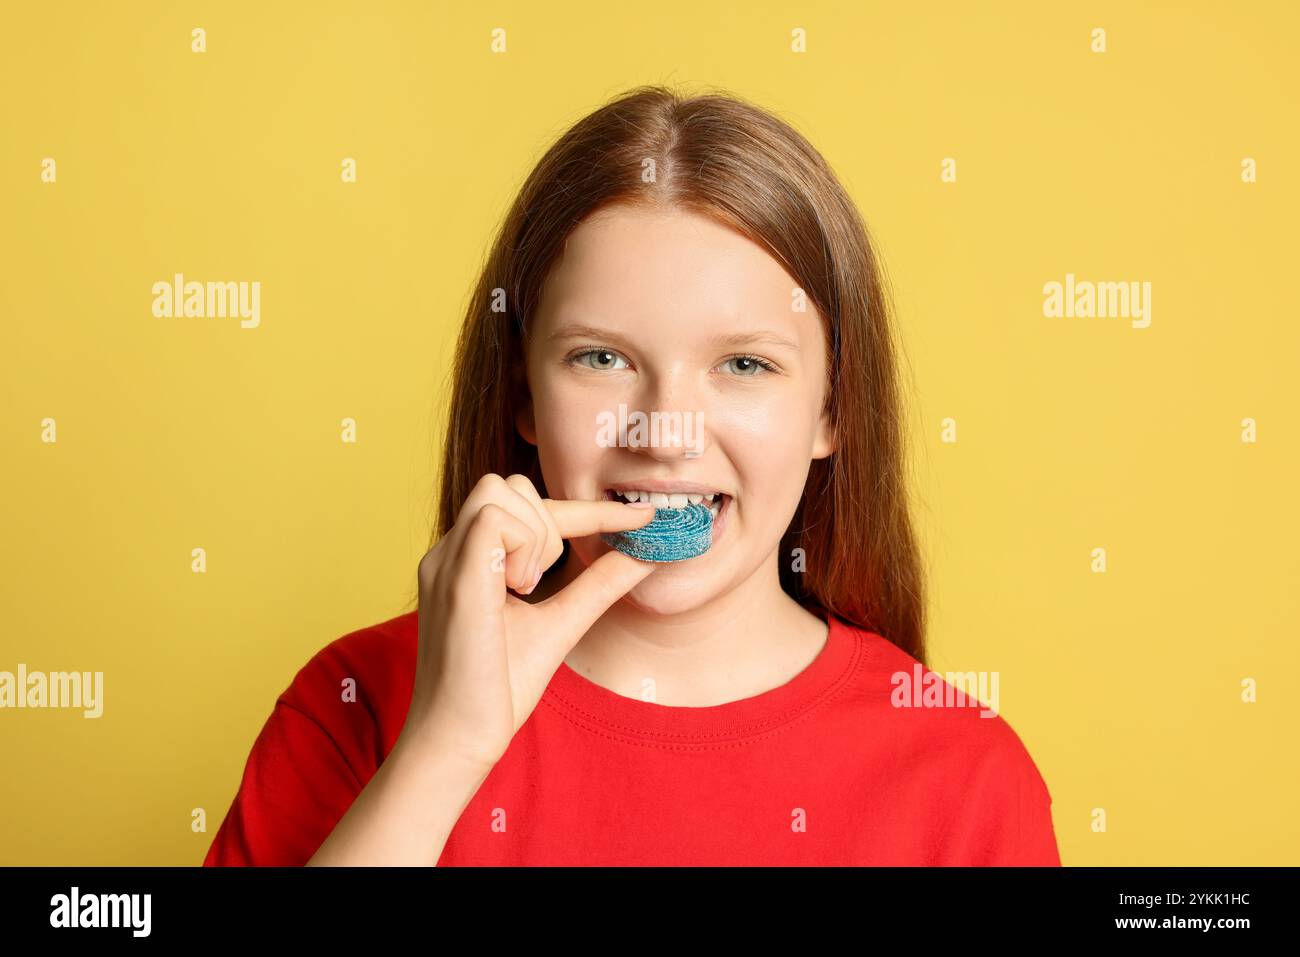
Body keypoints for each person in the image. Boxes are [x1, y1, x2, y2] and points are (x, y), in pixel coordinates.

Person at [204, 84, 1061, 866]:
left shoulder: (968, 776)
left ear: (832, 412)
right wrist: (445, 749)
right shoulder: (354, 707)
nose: (668, 432)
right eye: (602, 356)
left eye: (745, 365)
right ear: (523, 396)